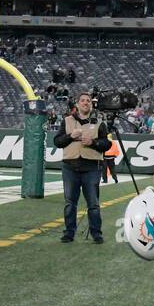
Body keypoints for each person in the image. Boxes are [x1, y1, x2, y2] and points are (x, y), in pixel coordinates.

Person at [56, 93, 112, 243]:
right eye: (82, 100)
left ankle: (96, 233)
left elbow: (107, 144)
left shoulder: (100, 123)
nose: (85, 103)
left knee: (93, 204)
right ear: (77, 104)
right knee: (70, 203)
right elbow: (57, 141)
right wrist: (70, 136)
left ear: (91, 105)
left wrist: (93, 142)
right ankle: (69, 233)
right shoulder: (67, 121)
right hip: (70, 167)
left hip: (92, 167)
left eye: (88, 101)